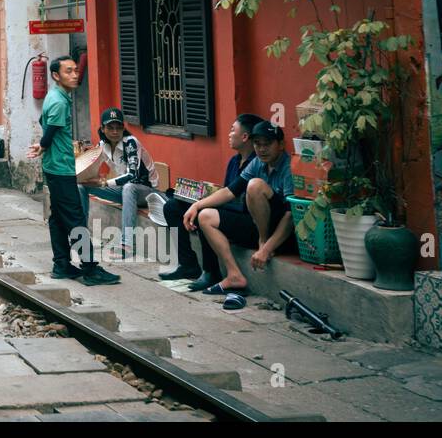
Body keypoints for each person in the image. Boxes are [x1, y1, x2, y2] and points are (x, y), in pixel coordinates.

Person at [178, 120, 295, 308]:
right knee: (205, 216)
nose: (262, 149)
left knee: (255, 185)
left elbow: (290, 217)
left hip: (281, 237)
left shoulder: (289, 167)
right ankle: (234, 275)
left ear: (281, 145)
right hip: (258, 226)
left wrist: (265, 248)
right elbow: (229, 191)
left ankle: (263, 241)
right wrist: (196, 206)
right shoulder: (257, 162)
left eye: (267, 144)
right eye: (257, 144)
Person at [28, 57, 121, 285]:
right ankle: (90, 269)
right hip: (61, 167)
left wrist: (45, 146)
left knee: (58, 217)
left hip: (55, 166)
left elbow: (43, 121)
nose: (74, 75)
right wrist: (44, 145)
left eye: (75, 70)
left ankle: (62, 265)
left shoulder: (55, 96)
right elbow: (50, 130)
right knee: (75, 217)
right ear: (56, 75)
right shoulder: (59, 101)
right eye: (68, 71)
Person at [157, 112, 265, 281]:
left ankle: (211, 271)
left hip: (245, 219)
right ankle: (188, 265)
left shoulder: (258, 163)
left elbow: (236, 197)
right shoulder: (234, 161)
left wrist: (203, 203)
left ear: (245, 137)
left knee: (205, 212)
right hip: (228, 210)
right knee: (172, 206)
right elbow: (226, 191)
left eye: (232, 130)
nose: (229, 134)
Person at [84, 107, 162, 256]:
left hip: (147, 192)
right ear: (103, 128)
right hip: (126, 193)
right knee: (83, 186)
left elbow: (132, 175)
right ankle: (83, 235)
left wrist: (104, 183)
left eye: (118, 127)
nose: (115, 131)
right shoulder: (102, 145)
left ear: (123, 128)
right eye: (110, 127)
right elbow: (90, 166)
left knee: (129, 187)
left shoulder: (131, 143)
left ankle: (127, 245)